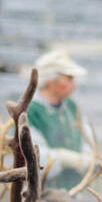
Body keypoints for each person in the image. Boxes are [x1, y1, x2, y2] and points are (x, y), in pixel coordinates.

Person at [26, 48, 94, 191]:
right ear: (50, 81)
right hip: (45, 194)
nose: (74, 85)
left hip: (76, 189)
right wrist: (63, 158)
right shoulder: (31, 112)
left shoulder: (71, 107)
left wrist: (88, 155)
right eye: (68, 79)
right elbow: (34, 159)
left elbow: (87, 137)